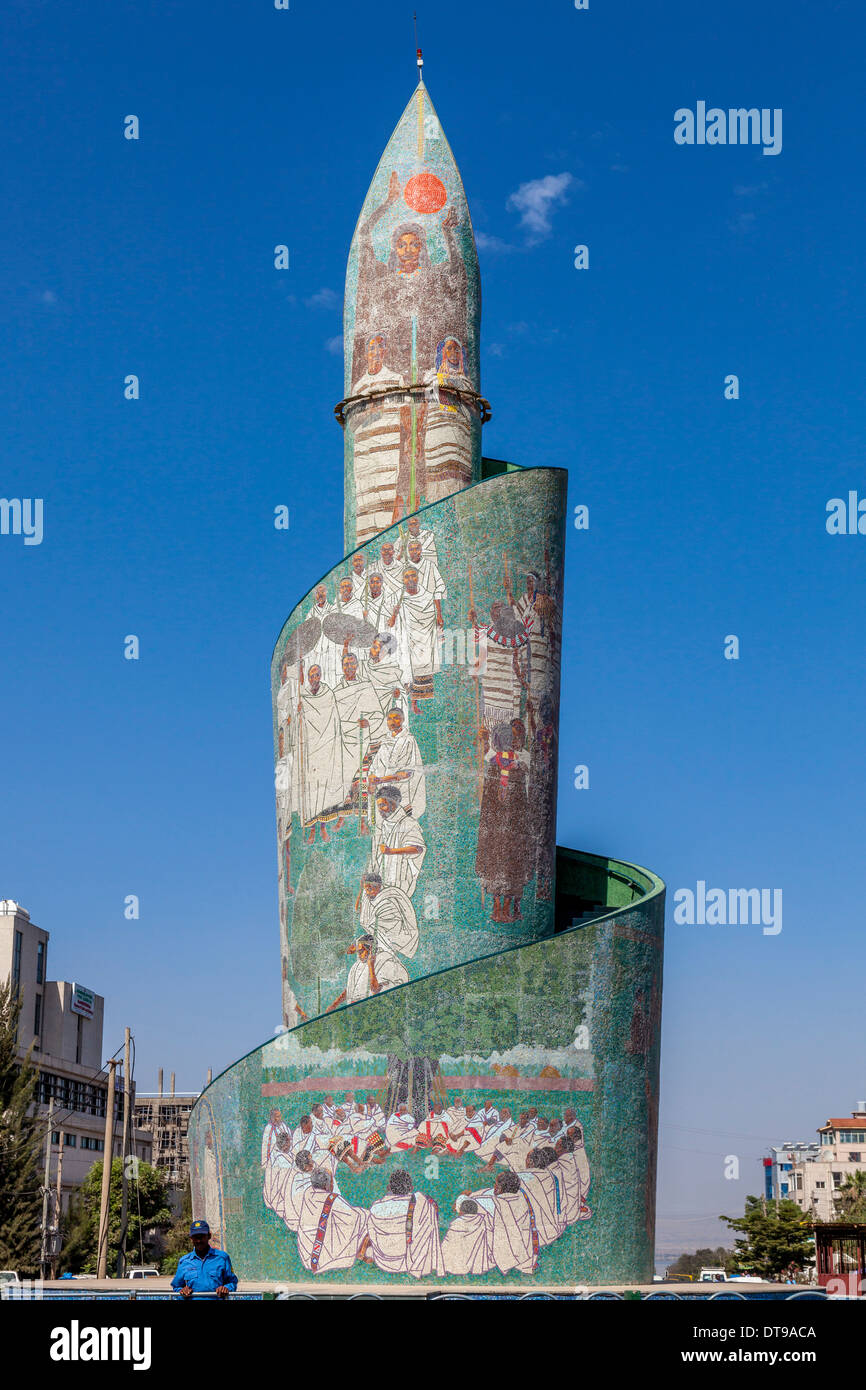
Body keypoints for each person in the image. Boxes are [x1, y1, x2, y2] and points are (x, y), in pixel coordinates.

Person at [171, 1220, 238, 1299]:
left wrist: (226, 1288)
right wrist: (182, 1291)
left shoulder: (222, 1258)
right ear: (191, 1238)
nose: (199, 1241)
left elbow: (232, 1282)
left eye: (202, 1236)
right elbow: (176, 1287)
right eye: (196, 1237)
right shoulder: (184, 1261)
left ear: (209, 1236)